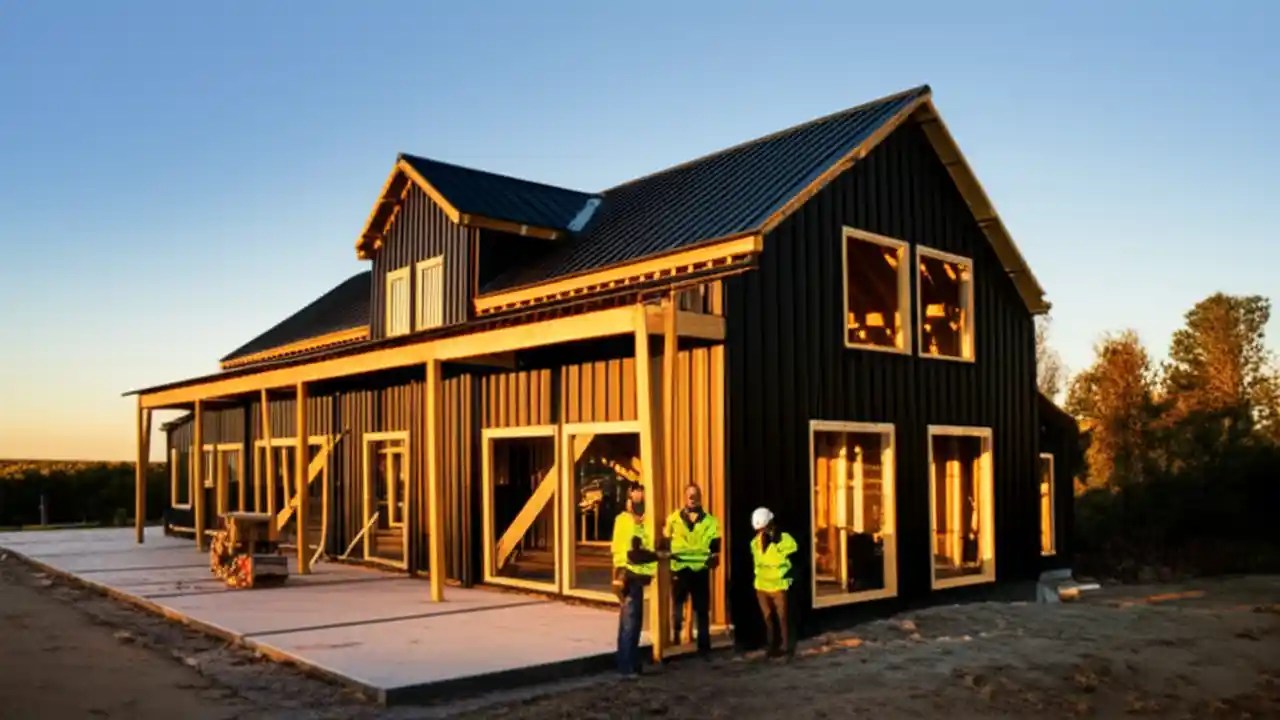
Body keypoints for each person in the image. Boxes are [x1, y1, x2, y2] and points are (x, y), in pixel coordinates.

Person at [663, 483, 721, 656]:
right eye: (689, 494)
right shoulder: (673, 518)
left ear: (700, 497)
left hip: (699, 569)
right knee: (677, 606)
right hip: (679, 567)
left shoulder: (710, 521)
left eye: (695, 494)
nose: (692, 498)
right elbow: (666, 540)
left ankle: (704, 646)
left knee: (702, 610)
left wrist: (714, 559)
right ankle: (675, 639)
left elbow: (715, 546)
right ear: (684, 497)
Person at [611, 481, 658, 678]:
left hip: (638, 576)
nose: (640, 497)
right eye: (636, 493)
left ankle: (630, 663)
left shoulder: (641, 522)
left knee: (632, 622)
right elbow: (624, 551)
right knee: (630, 622)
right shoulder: (625, 521)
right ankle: (627, 667)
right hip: (628, 574)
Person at [750, 506, 797, 659]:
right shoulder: (755, 544)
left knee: (782, 619)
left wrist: (776, 543)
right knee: (769, 619)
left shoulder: (785, 539)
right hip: (762, 586)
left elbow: (792, 554)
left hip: (779, 585)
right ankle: (772, 647)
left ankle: (786, 648)